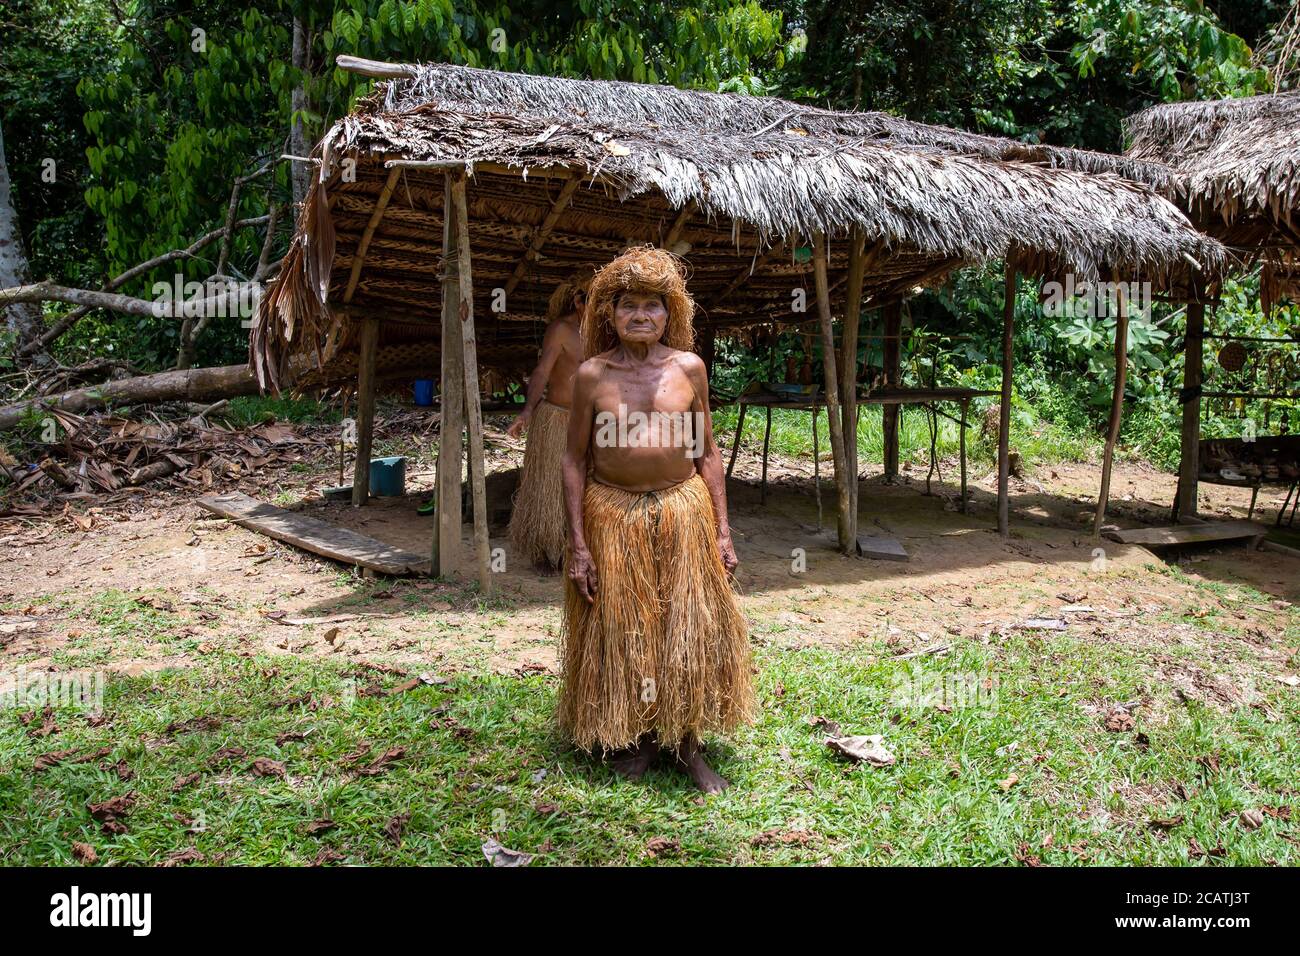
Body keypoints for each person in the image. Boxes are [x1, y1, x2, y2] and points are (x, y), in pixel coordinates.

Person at [558, 246, 754, 794]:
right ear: (610, 314)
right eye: (628, 306)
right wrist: (579, 545)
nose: (640, 316)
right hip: (612, 515)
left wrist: (721, 530)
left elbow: (706, 452)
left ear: (670, 314)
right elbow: (574, 459)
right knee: (628, 633)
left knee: (685, 628)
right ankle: (643, 740)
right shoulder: (591, 375)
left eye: (653, 306)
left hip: (682, 510)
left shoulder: (689, 368)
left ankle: (689, 746)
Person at [507, 272, 591, 572]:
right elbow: (542, 371)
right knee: (551, 487)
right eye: (588, 298)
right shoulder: (562, 330)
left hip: (593, 421)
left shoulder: (607, 331)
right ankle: (546, 549)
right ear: (578, 300)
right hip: (557, 417)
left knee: (589, 486)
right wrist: (527, 410)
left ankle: (580, 549)